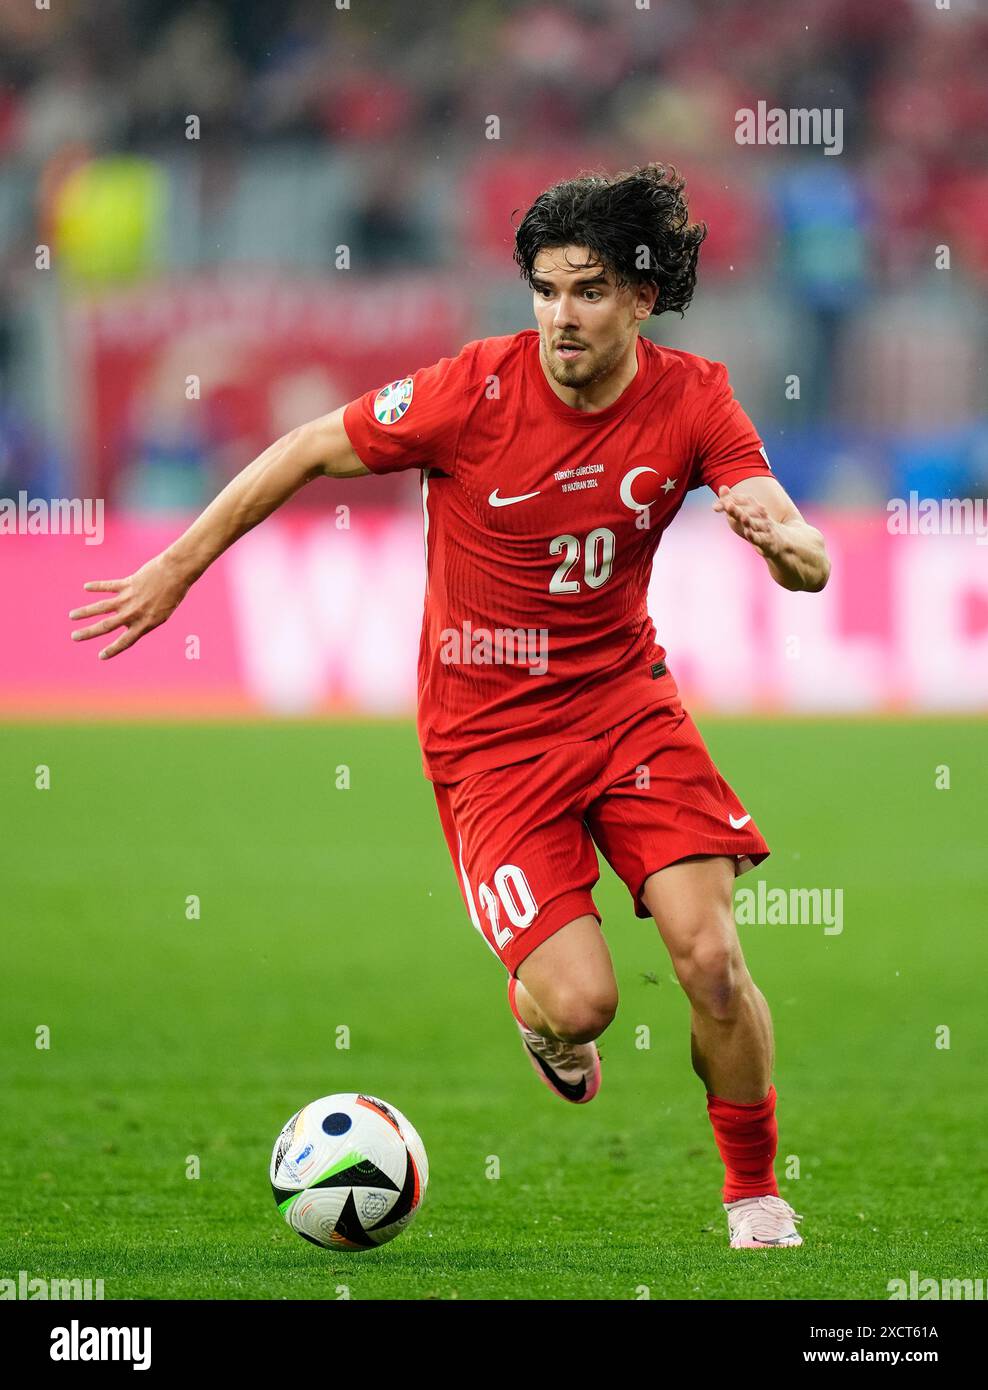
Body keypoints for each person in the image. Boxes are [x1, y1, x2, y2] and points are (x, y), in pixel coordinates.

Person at [70, 163, 830, 1249]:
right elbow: (304, 448)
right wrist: (180, 566)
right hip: (489, 741)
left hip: (625, 707)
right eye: (546, 289)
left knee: (709, 957)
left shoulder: (693, 394)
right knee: (582, 1003)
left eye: (590, 291)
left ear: (641, 300)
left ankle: (751, 1192)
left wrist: (794, 549)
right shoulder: (470, 390)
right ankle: (545, 1027)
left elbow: (772, 514)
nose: (561, 316)